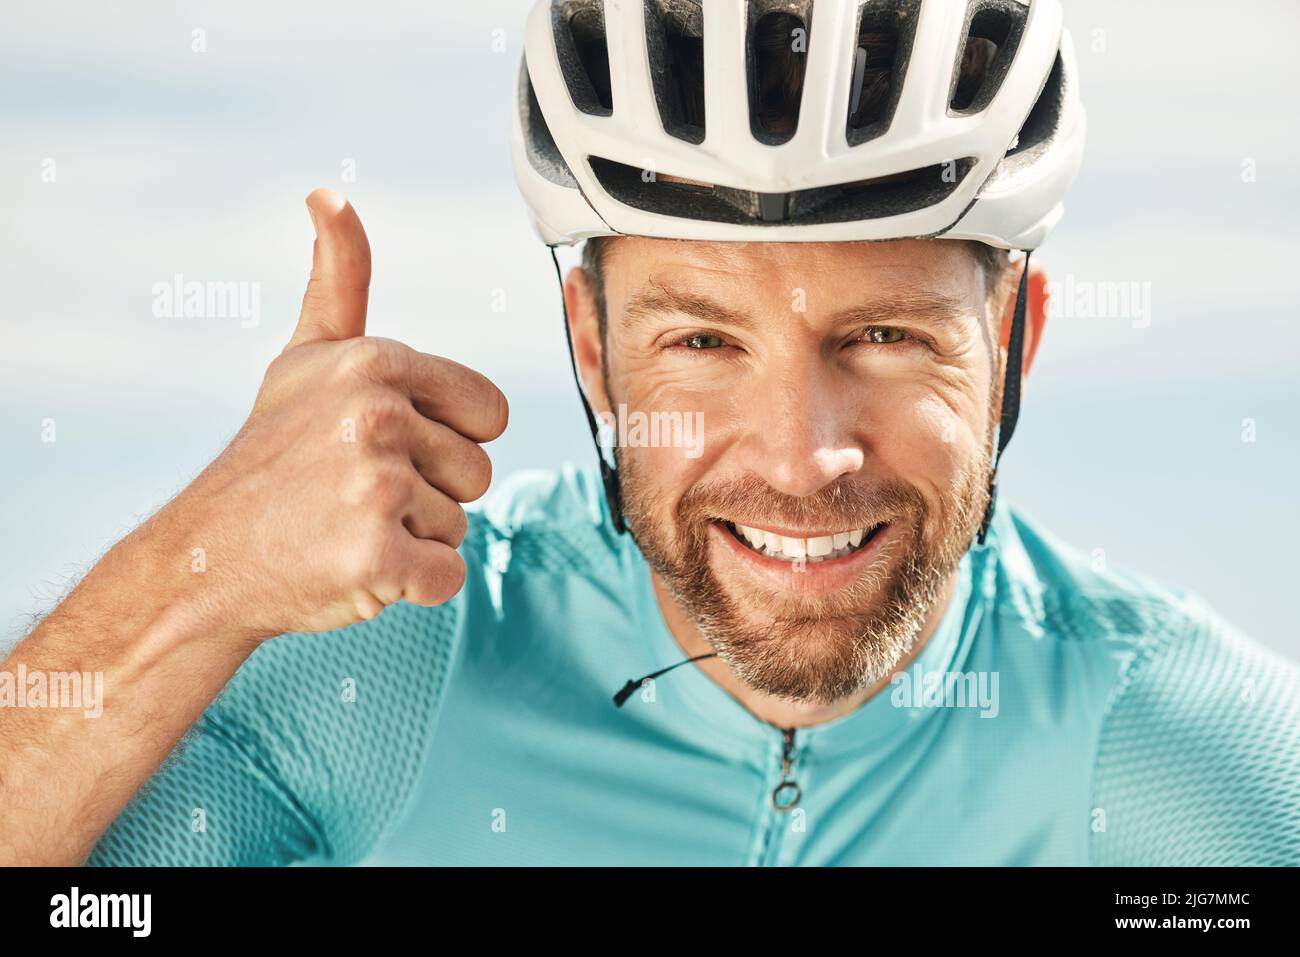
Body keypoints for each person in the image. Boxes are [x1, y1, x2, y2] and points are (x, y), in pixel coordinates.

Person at [2, 0, 1296, 866]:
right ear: (589, 346)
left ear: (1015, 338)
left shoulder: (1188, 762)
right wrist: (195, 578)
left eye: (884, 338)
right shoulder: (383, 682)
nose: (799, 460)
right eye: (703, 341)